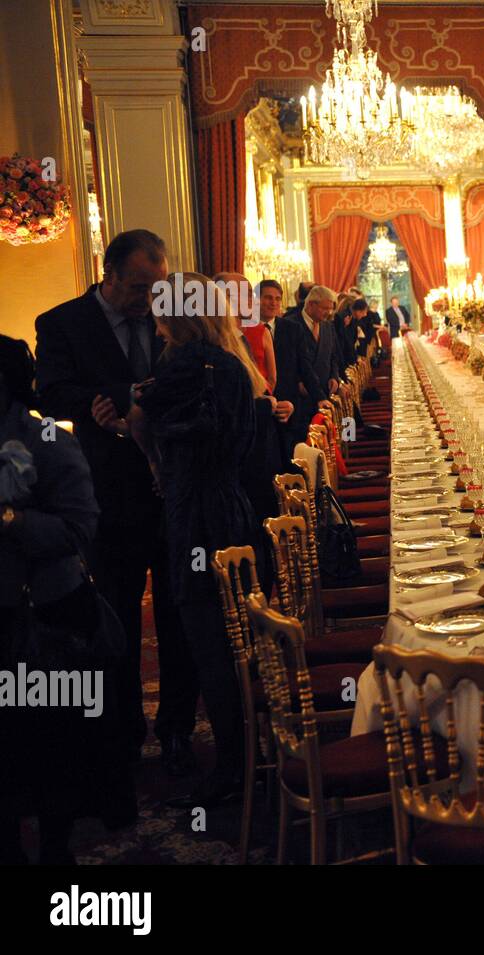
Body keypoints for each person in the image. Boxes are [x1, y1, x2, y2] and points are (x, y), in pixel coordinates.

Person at [34, 228, 198, 777]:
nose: (147, 299)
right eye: (136, 287)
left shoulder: (168, 316)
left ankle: (177, 726)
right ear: (109, 274)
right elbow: (49, 391)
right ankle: (124, 728)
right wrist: (95, 405)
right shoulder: (63, 323)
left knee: (178, 612)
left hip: (172, 488)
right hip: (110, 491)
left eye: (155, 288)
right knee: (119, 616)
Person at [1, 334, 136, 864]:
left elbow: (78, 529)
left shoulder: (49, 438)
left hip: (45, 620)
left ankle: (56, 850)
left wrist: (9, 518)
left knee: (50, 752)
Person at [129, 272, 262, 806]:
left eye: (161, 311)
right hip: (231, 507)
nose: (155, 324)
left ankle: (233, 762)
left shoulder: (182, 364)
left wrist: (156, 463)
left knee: (208, 636)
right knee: (235, 636)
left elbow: (140, 419)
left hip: (196, 515)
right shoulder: (233, 363)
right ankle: (248, 748)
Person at [261, 279, 326, 460]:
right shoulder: (246, 330)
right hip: (262, 408)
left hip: (291, 405)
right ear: (256, 299)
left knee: (294, 459)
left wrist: (320, 397)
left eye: (277, 298)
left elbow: (304, 367)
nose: (273, 302)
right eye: (267, 297)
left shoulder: (291, 329)